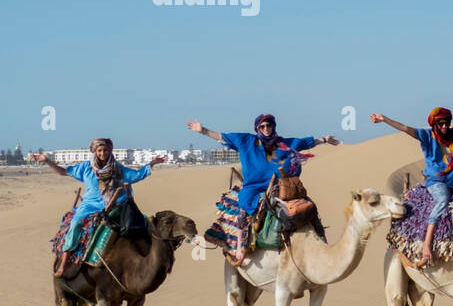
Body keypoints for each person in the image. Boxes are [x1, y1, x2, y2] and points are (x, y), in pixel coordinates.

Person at [370, 97, 453, 265]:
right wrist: (384, 119)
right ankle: (427, 244)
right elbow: (406, 128)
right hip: (438, 181)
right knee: (443, 201)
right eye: (441, 124)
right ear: (434, 125)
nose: (445, 127)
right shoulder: (427, 136)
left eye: (447, 123)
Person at [36, 139, 167, 276]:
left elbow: (137, 175)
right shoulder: (86, 167)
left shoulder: (118, 168)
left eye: (105, 150)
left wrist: (153, 163)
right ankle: (64, 262)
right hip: (90, 205)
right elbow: (63, 172)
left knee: (141, 221)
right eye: (99, 150)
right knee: (75, 224)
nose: (102, 153)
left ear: (110, 151)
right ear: (94, 151)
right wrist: (47, 160)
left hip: (115, 204)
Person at [187, 114, 338, 219]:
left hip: (279, 186)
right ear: (258, 128)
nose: (266, 129)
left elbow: (304, 143)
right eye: (263, 126)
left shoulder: (283, 143)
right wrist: (204, 131)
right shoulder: (246, 141)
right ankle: (243, 242)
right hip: (254, 186)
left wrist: (324, 139)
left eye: (269, 126)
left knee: (307, 207)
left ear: (273, 127)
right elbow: (222, 137)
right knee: (244, 202)